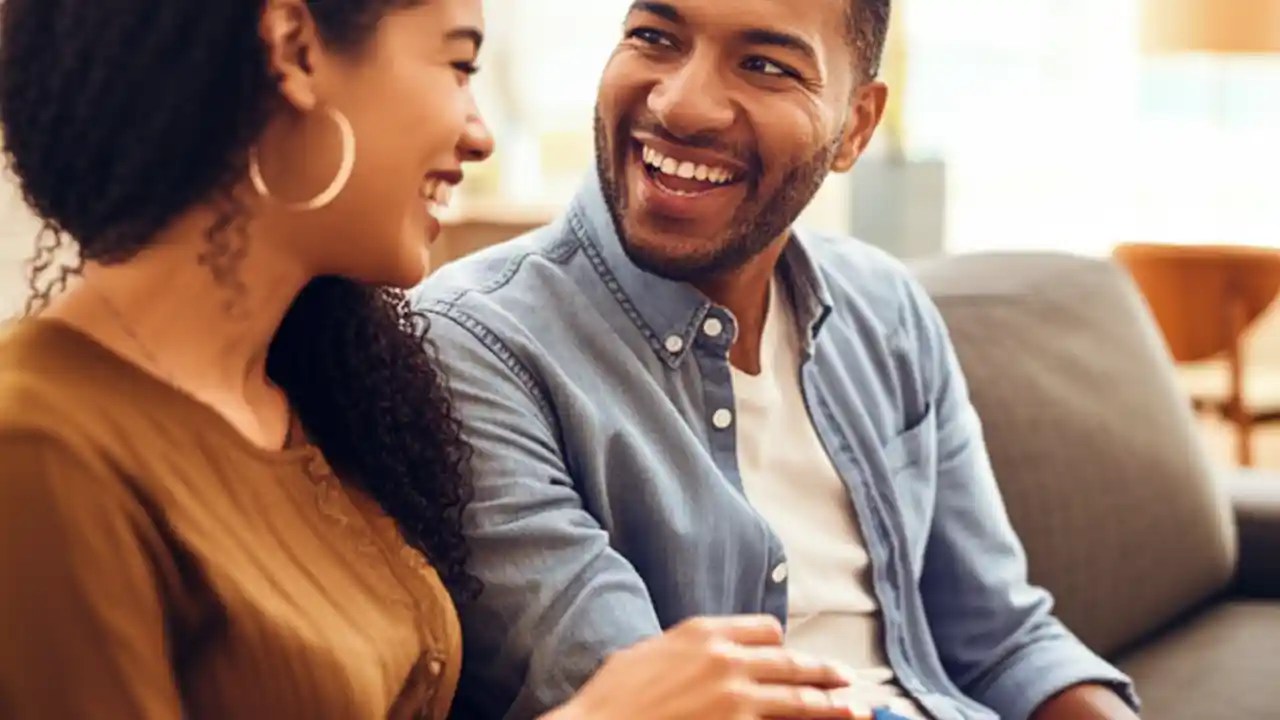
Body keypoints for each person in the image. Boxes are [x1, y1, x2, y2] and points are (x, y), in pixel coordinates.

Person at [0, 1, 866, 718]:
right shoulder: (42, 447)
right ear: (296, 50)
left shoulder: (321, 393)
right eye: (458, 66)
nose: (480, 134)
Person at [416, 1, 1145, 719]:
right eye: (655, 36)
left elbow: (1005, 641)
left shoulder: (886, 308)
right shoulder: (477, 347)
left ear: (855, 125)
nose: (683, 104)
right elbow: (626, 695)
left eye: (765, 65)